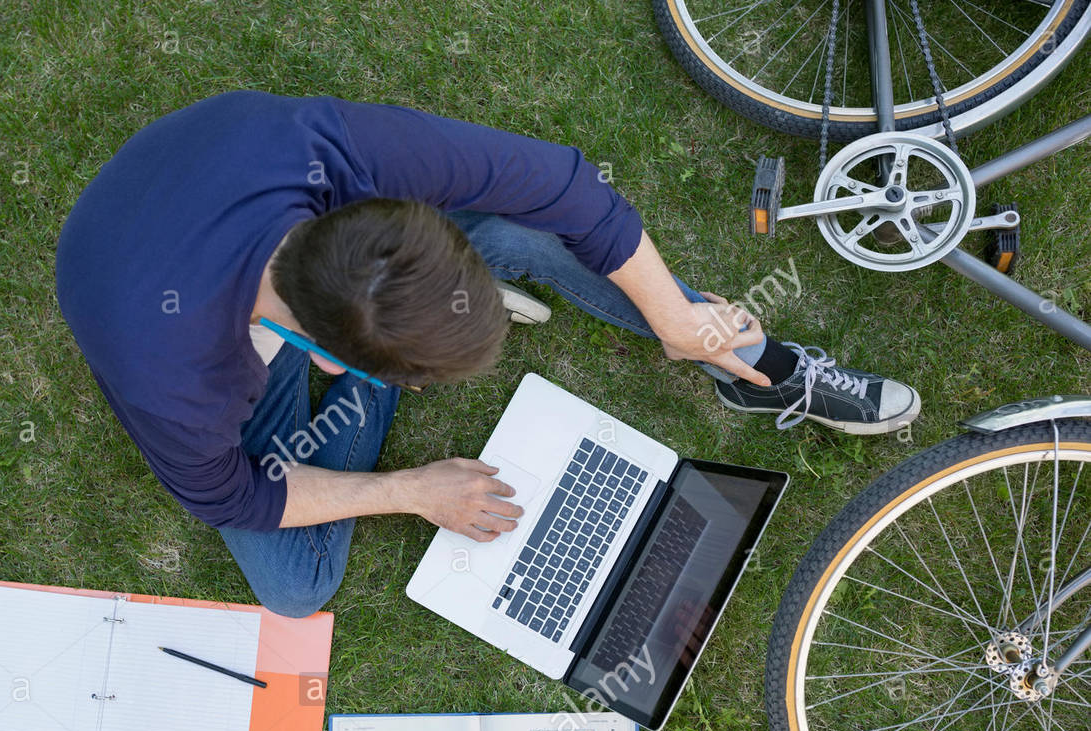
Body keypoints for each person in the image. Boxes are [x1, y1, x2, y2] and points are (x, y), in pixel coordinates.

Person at [56, 91, 920, 618]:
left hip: (248, 219)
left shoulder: (325, 151)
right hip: (168, 311)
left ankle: (759, 368)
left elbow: (568, 189)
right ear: (326, 360)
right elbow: (227, 493)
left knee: (519, 224)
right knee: (294, 589)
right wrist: (410, 492)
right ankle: (395, 376)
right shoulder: (179, 379)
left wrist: (675, 318)